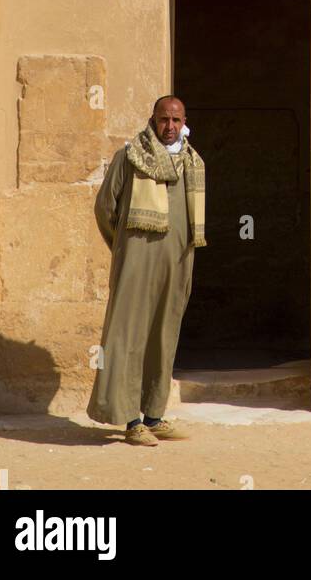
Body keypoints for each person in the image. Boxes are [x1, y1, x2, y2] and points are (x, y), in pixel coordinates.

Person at [86, 96, 206, 445]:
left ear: (184, 121)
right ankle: (129, 420)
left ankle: (154, 415)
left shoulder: (193, 162)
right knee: (126, 337)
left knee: (163, 335)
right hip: (136, 263)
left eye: (176, 120)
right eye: (163, 119)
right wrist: (125, 247)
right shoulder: (129, 157)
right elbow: (104, 209)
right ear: (153, 120)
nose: (170, 126)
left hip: (177, 263)